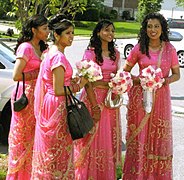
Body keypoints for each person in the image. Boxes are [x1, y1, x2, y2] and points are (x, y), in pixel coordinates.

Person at [122, 12, 180, 180]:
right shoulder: (139, 48)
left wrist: (163, 81)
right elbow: (125, 72)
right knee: (141, 136)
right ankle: (138, 175)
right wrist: (141, 80)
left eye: (156, 26)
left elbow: (177, 75)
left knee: (158, 136)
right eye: (149, 26)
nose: (152, 30)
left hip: (161, 98)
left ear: (162, 28)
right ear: (144, 29)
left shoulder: (170, 49)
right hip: (141, 99)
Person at [31, 14, 88, 179]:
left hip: (51, 103)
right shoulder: (58, 57)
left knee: (52, 148)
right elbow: (58, 89)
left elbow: (59, 82)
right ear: (57, 35)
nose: (72, 37)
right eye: (68, 33)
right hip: (57, 104)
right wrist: (80, 85)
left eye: (72, 32)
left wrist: (71, 81)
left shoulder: (51, 51)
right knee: (57, 148)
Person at [74, 19, 122, 180]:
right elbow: (87, 82)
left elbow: (118, 75)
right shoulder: (90, 53)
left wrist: (119, 85)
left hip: (109, 101)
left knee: (106, 137)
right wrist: (94, 106)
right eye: (106, 30)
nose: (110, 33)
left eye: (112, 31)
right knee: (91, 137)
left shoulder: (115, 53)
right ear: (98, 33)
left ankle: (103, 175)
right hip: (93, 98)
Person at [6, 14, 49, 180]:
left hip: (40, 95)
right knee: (22, 137)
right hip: (25, 95)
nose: (47, 31)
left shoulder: (43, 48)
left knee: (35, 136)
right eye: (44, 28)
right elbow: (16, 75)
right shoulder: (26, 48)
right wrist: (38, 73)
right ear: (34, 30)